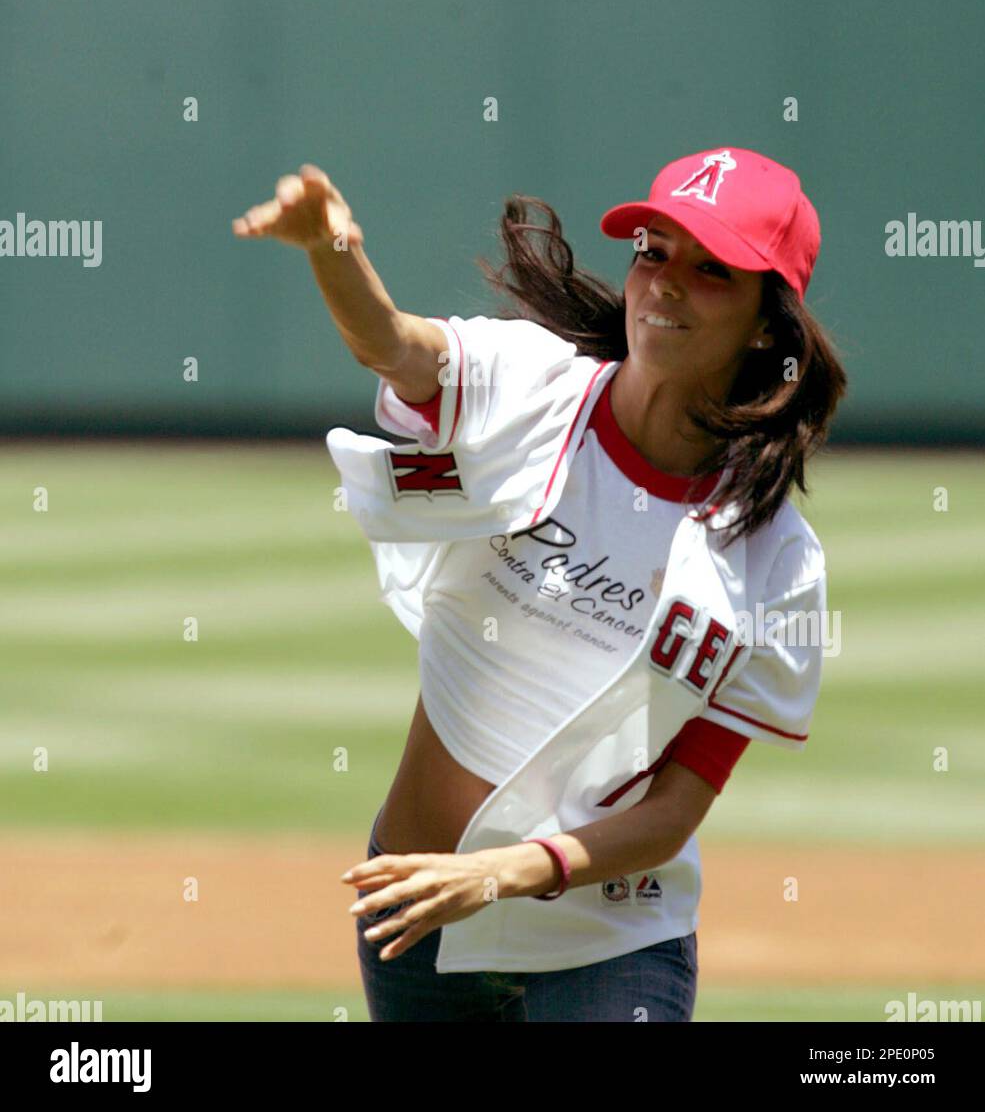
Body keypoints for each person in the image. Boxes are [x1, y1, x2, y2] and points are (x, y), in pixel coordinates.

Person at [232, 146, 847, 1023]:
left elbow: (672, 811)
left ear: (765, 325)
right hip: (415, 915)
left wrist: (493, 875)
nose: (666, 284)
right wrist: (332, 250)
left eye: (712, 271)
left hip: (605, 943)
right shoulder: (530, 387)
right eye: (653, 252)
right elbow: (396, 345)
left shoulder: (775, 561)